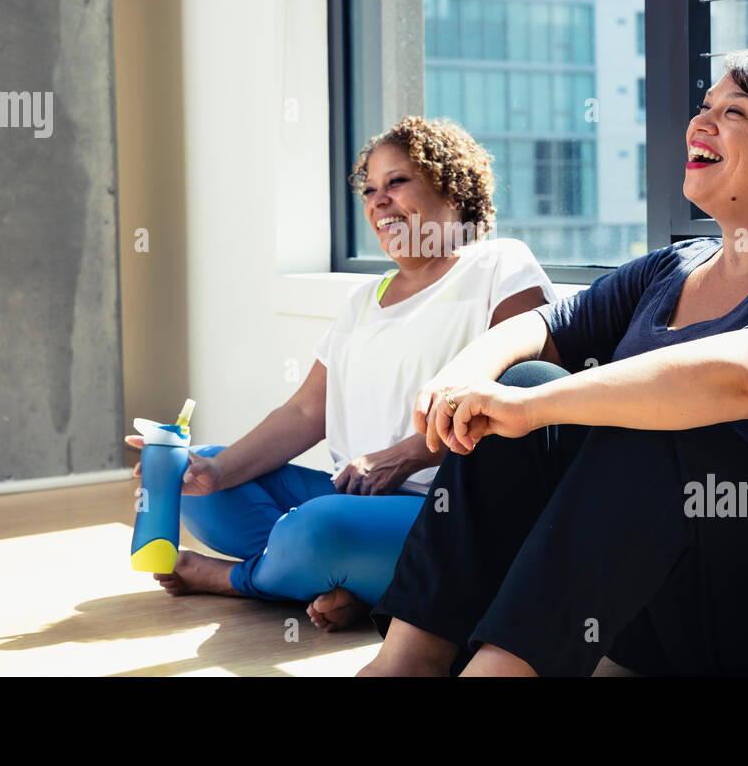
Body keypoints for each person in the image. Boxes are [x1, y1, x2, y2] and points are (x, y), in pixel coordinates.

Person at [359, 48, 748, 677]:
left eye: (734, 113)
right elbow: (543, 326)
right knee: (524, 375)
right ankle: (406, 663)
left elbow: (742, 378)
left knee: (654, 430)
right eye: (703, 108)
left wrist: (531, 408)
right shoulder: (674, 268)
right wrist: (465, 375)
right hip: (669, 610)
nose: (701, 124)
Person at [129, 115, 556, 631]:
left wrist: (403, 456)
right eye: (370, 189)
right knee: (209, 480)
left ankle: (241, 578)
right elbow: (306, 411)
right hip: (355, 497)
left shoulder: (499, 264)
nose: (378, 200)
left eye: (397, 182)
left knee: (317, 528)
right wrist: (215, 472)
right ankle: (356, 584)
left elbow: (523, 395)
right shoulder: (362, 300)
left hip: (447, 509)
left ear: (454, 191)